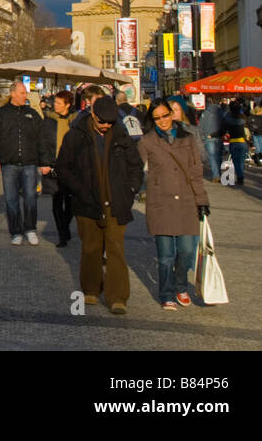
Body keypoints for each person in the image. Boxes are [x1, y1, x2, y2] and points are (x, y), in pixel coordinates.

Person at [56, 96, 143, 314]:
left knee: (116, 250)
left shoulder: (122, 136)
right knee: (91, 248)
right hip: (87, 201)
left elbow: (136, 166)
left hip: (117, 201)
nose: (106, 126)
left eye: (111, 122)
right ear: (93, 115)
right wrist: (80, 190)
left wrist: (131, 190)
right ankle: (91, 289)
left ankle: (117, 296)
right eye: (102, 121)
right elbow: (63, 167)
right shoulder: (76, 135)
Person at [140, 98, 210, 310]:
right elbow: (135, 170)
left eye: (165, 115)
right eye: (157, 118)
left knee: (187, 250)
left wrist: (202, 201)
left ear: (172, 114)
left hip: (187, 201)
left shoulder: (187, 139)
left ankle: (180, 286)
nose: (162, 121)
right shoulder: (147, 141)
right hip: (160, 202)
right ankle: (167, 293)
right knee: (165, 256)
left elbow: (196, 172)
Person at [0, 81, 54, 246]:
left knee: (30, 198)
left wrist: (45, 162)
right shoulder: (1, 114)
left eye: (26, 93)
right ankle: (16, 231)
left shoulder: (32, 114)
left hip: (29, 163)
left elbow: (42, 139)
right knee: (11, 199)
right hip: (8, 164)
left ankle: (30, 229)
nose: (26, 96)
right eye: (23, 93)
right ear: (13, 94)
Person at [44, 90, 76, 247]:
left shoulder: (75, 120)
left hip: (71, 167)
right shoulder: (48, 120)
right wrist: (44, 163)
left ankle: (65, 226)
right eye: (54, 102)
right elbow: (42, 143)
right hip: (53, 165)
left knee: (70, 204)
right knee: (56, 202)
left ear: (67, 105)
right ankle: (62, 234)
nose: (54, 105)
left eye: (58, 103)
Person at [224, 101, 249, 185]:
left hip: (234, 142)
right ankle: (240, 176)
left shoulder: (228, 119)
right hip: (242, 142)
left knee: (236, 161)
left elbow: (223, 130)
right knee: (241, 161)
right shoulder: (243, 118)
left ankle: (240, 176)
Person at [198, 98, 224, 181]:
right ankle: (219, 173)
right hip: (219, 136)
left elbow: (201, 126)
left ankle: (216, 175)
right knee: (218, 156)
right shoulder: (222, 113)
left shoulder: (205, 113)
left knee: (212, 156)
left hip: (208, 137)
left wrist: (202, 136)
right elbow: (224, 125)